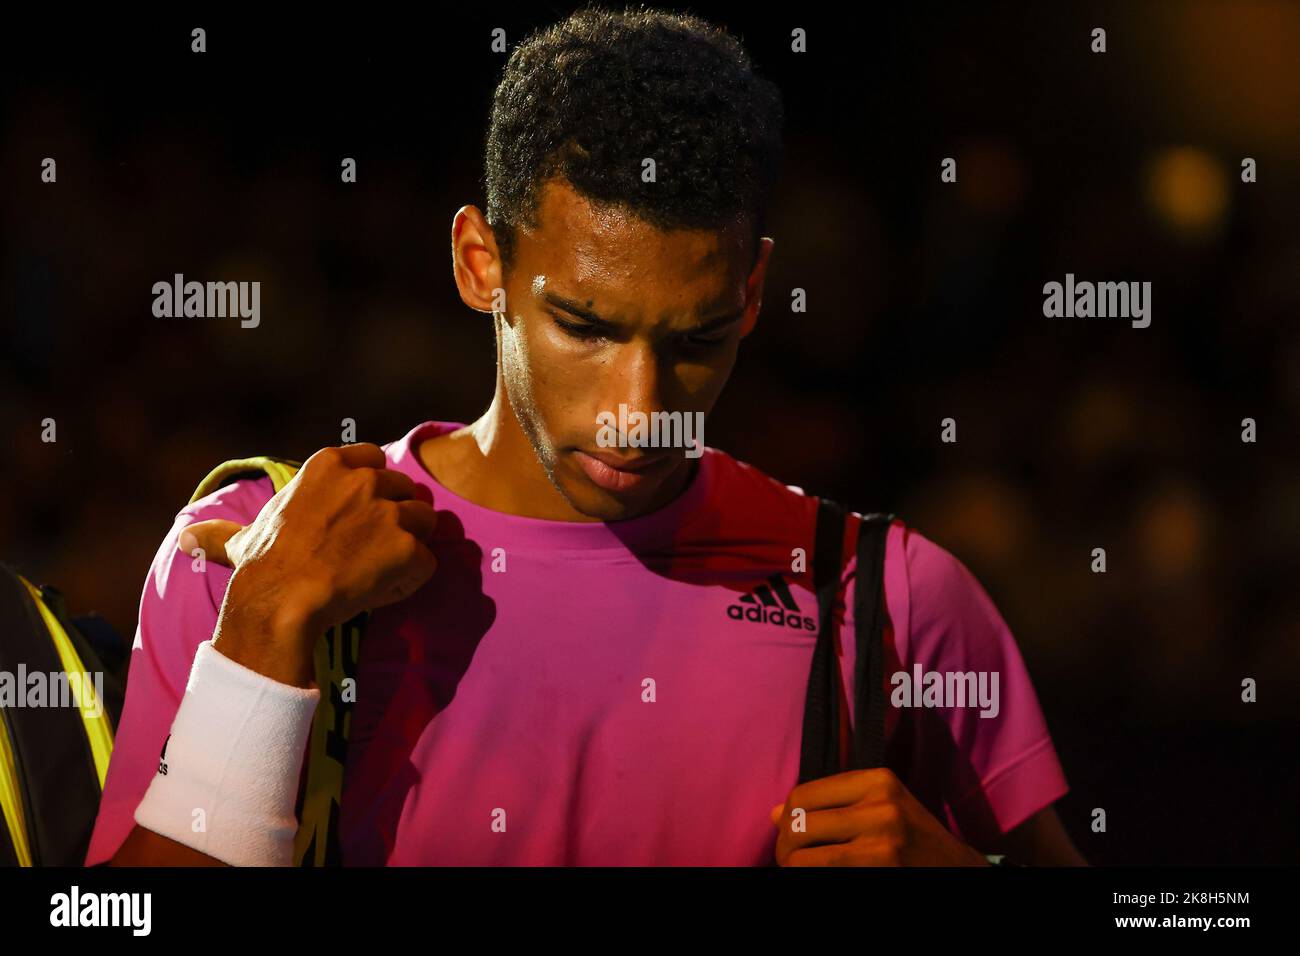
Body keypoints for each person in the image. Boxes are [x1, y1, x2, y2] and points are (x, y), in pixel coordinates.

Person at [87, 7, 1084, 867]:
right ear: (481, 263)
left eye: (694, 338)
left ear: (751, 290)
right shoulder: (251, 552)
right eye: (587, 327)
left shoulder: (888, 594)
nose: (639, 406)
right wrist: (259, 639)